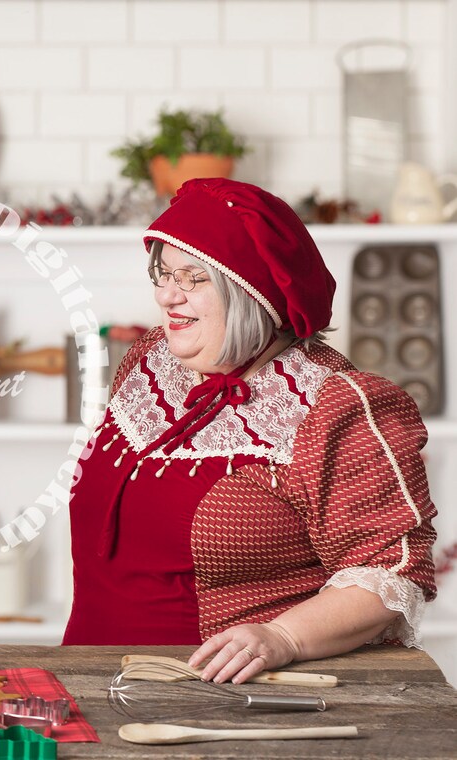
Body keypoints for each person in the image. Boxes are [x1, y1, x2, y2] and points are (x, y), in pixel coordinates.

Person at [63, 178, 437, 683]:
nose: (166, 294)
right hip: (85, 671)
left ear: (251, 292)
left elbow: (388, 574)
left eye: (193, 278)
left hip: (228, 696)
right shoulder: (150, 360)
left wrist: (283, 637)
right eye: (163, 272)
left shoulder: (335, 404)